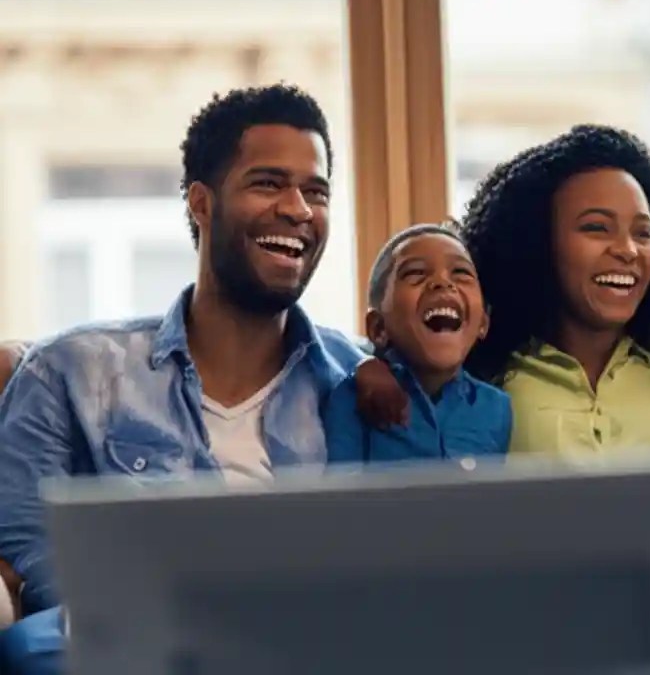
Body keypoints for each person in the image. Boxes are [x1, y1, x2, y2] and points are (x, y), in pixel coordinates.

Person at [0, 84, 396, 674]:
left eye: (316, 191)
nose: (298, 209)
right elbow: (33, 553)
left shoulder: (361, 383)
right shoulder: (70, 371)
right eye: (268, 183)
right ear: (201, 203)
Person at [457, 124, 650, 460]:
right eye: (596, 228)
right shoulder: (482, 382)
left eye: (643, 233)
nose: (628, 250)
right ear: (538, 242)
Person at [325, 223, 511, 464]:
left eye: (461, 273)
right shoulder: (353, 398)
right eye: (415, 273)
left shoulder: (497, 408)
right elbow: (339, 497)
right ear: (378, 328)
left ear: (482, 324)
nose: (443, 283)